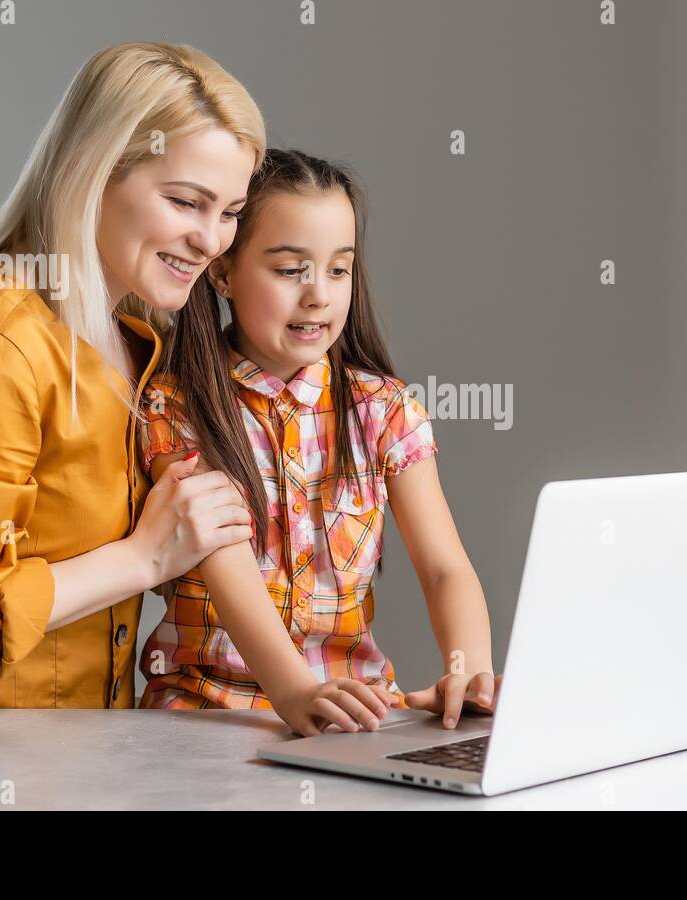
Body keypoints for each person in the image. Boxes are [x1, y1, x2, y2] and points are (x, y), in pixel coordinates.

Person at [0, 42, 263, 707]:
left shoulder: (139, 345)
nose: (212, 240)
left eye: (230, 212)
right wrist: (144, 558)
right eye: (185, 202)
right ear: (93, 172)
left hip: (73, 765)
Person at [137, 148, 501, 735]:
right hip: (206, 719)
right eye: (289, 270)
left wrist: (470, 671)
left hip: (354, 719)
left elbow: (444, 569)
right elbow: (226, 562)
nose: (319, 296)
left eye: (338, 270)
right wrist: (294, 690)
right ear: (223, 272)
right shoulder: (177, 407)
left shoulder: (384, 411)